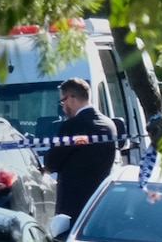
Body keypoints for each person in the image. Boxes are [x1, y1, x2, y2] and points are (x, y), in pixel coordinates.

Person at [41, 78, 117, 220]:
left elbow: (52, 162)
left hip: (73, 206)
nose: (63, 107)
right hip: (101, 202)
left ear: (71, 99)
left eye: (62, 102)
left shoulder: (72, 126)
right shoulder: (110, 125)